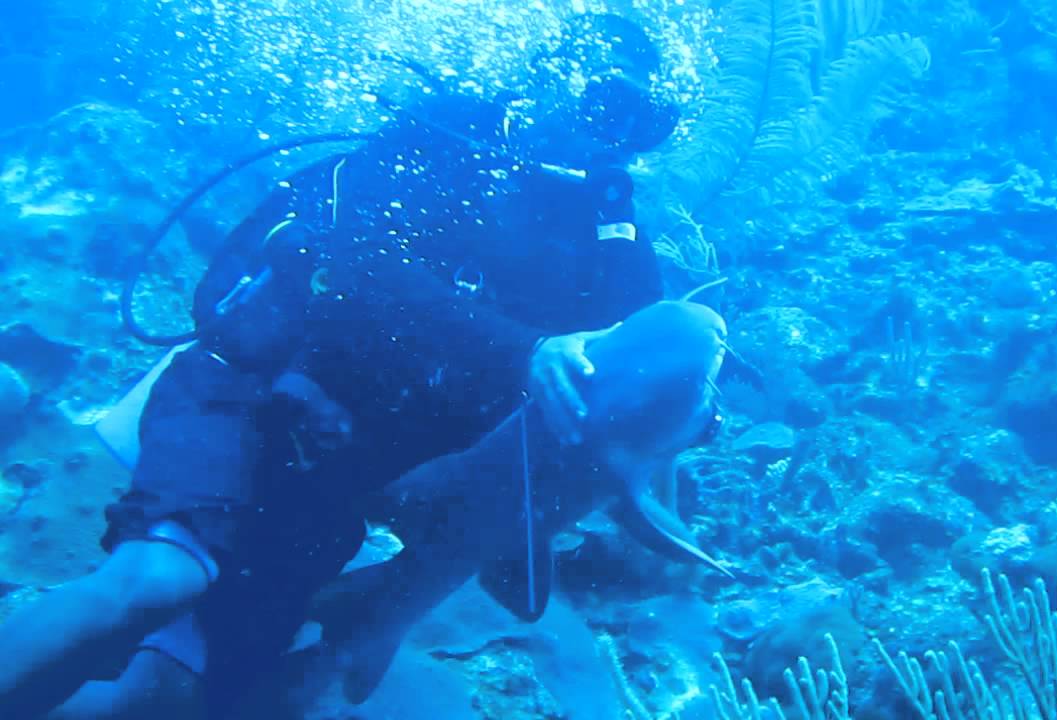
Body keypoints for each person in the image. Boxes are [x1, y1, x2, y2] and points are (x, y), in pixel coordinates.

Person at [0, 12, 681, 718]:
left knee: (167, 694)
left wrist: (687, 408)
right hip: (249, 399)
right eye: (605, 104)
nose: (611, 134)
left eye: (637, 120)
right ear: (548, 82)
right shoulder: (450, 134)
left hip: (340, 471)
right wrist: (528, 350)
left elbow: (650, 347)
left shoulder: (602, 220)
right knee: (153, 579)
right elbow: (365, 269)